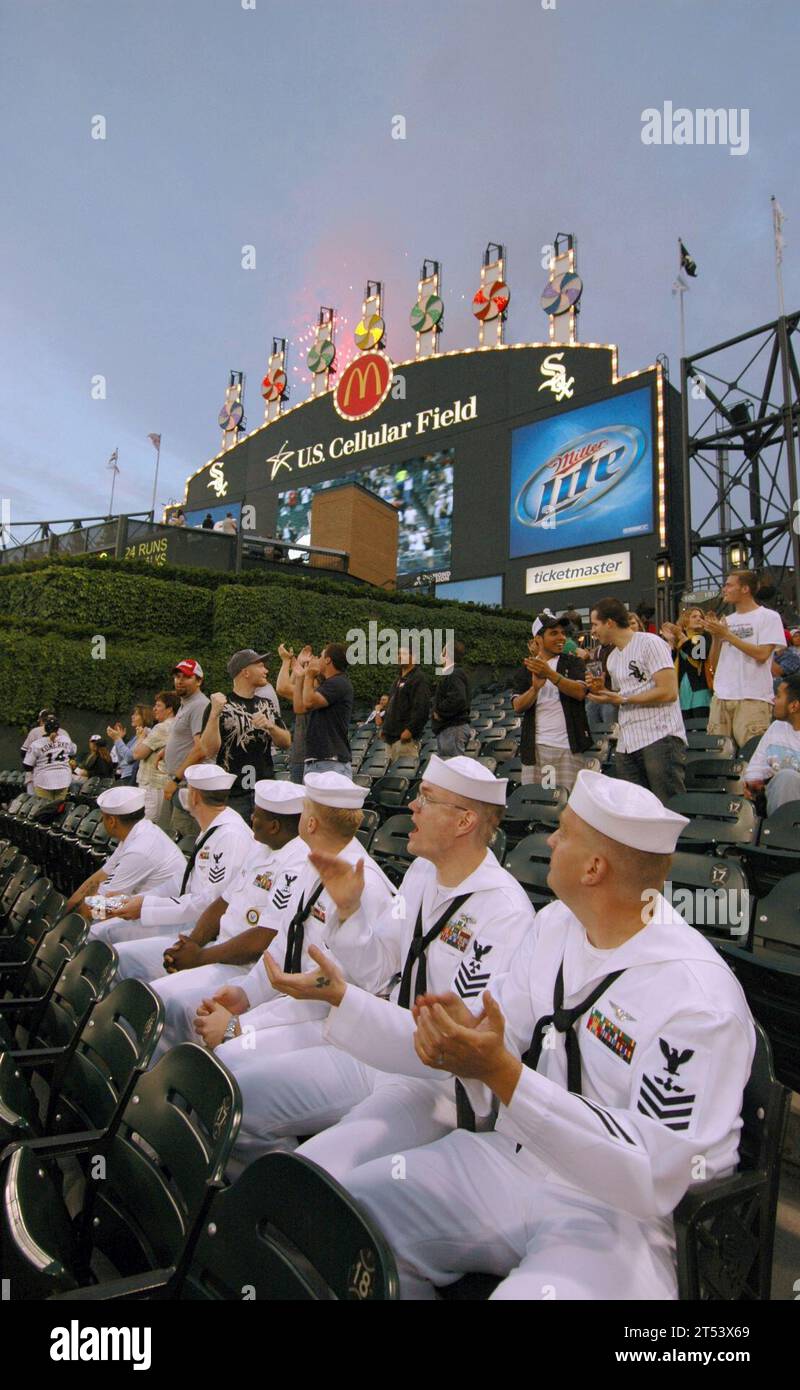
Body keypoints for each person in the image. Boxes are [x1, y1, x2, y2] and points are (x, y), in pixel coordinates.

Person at [319, 770, 755, 1301]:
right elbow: (500, 1027)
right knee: (350, 1213)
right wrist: (464, 1029)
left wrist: (503, 1074)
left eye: (565, 833)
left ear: (594, 868)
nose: (548, 840)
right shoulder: (555, 925)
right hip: (518, 1157)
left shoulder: (697, 997)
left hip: (620, 1219)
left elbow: (657, 1170)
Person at [248, 756, 537, 1183]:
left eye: (427, 799)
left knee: (315, 1173)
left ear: (465, 822)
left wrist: (343, 997)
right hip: (378, 1047)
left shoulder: (505, 911)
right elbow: (380, 966)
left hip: (433, 1081)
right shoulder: (422, 872)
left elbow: (451, 1046)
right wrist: (348, 912)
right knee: (244, 1097)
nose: (412, 809)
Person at [150, 772, 393, 1076]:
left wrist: (242, 1026)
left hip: (333, 1024)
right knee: (213, 1043)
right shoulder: (313, 865)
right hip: (294, 1003)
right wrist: (247, 995)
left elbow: (329, 987)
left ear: (311, 823)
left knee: (228, 1059)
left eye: (304, 810)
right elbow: (283, 944)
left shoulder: (364, 884)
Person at [114, 780, 309, 994]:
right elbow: (221, 901)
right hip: (214, 944)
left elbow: (263, 937)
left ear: (274, 826)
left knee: (158, 996)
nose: (251, 818)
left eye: (256, 815)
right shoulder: (260, 847)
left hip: (247, 969)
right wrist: (191, 943)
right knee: (121, 959)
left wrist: (198, 956)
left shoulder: (295, 862)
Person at [90, 764, 253, 947]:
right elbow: (181, 882)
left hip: (205, 930)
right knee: (101, 931)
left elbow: (209, 903)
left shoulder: (230, 836)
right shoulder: (213, 827)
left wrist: (144, 907)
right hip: (182, 913)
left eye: (187, 788)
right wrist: (141, 901)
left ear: (195, 796)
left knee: (114, 947)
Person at [587, 598, 686, 803]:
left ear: (610, 623)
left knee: (667, 804)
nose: (593, 631)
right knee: (636, 807)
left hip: (660, 735)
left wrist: (622, 697)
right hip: (627, 741)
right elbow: (621, 698)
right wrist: (603, 693)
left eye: (595, 624)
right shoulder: (613, 658)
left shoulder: (650, 642)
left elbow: (668, 692)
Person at [66, 786, 185, 920]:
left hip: (163, 918)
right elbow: (99, 877)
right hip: (145, 908)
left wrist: (67, 923)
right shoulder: (137, 832)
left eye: (103, 818)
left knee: (92, 932)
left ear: (112, 821)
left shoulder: (140, 849)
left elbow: (97, 908)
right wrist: (65, 910)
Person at [199, 650, 290, 820]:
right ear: (245, 672)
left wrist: (271, 726)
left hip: (264, 791)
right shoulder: (220, 705)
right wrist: (214, 715)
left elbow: (286, 743)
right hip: (232, 794)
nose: (266, 671)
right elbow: (208, 750)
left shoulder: (267, 704)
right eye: (261, 666)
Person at [704, 571, 787, 747]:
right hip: (722, 698)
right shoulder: (726, 620)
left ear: (745, 588)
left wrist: (727, 635)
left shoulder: (768, 617)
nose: (724, 589)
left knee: (751, 756)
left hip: (753, 698)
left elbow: (762, 655)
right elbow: (714, 664)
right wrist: (716, 637)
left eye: (729, 585)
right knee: (716, 758)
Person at [512, 614, 592, 790]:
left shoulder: (573, 662)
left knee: (568, 804)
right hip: (535, 748)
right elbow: (517, 706)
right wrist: (535, 688)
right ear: (538, 639)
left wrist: (550, 674)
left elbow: (580, 692)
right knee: (535, 803)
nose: (561, 637)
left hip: (568, 747)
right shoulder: (526, 668)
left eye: (562, 633)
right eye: (554, 633)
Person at [158, 658, 210, 838]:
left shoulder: (199, 705)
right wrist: (165, 751)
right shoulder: (186, 704)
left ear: (199, 681)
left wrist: (175, 778)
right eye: (177, 676)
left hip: (185, 784)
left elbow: (201, 749)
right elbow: (185, 737)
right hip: (179, 782)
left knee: (182, 840)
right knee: (170, 835)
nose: (179, 680)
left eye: (186, 677)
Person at [742, 673, 800, 814]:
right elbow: (754, 770)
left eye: (779, 696)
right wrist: (752, 784)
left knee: (787, 778)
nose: (773, 700)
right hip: (777, 805)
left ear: (794, 706)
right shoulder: (776, 728)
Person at [302, 644, 354, 777]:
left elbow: (308, 702)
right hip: (320, 762)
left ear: (328, 660)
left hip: (330, 764)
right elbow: (299, 706)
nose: (317, 659)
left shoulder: (338, 683)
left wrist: (309, 676)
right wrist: (299, 675)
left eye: (320, 656)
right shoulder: (329, 684)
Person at [132, 690, 179, 822]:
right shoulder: (177, 725)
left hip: (152, 785)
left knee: (147, 826)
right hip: (161, 785)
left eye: (158, 705)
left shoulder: (162, 727)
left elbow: (137, 754)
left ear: (169, 709)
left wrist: (141, 737)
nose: (154, 709)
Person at [381, 647, 431, 764]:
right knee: (389, 780)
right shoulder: (397, 680)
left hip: (404, 740)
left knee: (404, 777)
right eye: (398, 653)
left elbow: (422, 708)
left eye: (403, 654)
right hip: (390, 739)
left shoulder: (418, 679)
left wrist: (410, 731)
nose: (399, 656)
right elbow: (391, 707)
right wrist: (385, 728)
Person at [661, 608, 712, 718]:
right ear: (685, 622)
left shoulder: (705, 636)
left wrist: (681, 637)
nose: (698, 619)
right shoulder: (679, 640)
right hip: (682, 690)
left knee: (700, 724)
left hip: (700, 689)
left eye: (700, 617)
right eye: (694, 616)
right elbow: (668, 663)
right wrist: (671, 641)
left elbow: (698, 656)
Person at [276, 643, 316, 784]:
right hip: (300, 755)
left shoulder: (315, 692)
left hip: (310, 759)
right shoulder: (307, 689)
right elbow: (293, 684)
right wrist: (297, 662)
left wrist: (287, 661)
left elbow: (283, 687)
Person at [431, 640, 470, 756]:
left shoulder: (454, 673)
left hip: (452, 729)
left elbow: (458, 698)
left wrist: (439, 711)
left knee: (452, 767)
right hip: (449, 729)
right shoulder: (452, 673)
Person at [23, 716, 76, 800]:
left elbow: (27, 765)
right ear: (58, 728)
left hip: (44, 779)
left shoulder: (37, 744)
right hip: (63, 778)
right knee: (59, 807)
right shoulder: (66, 740)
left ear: (45, 728)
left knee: (45, 808)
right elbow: (73, 753)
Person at [107, 705, 153, 784]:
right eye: (133, 714)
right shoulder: (135, 737)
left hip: (132, 777)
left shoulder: (146, 732)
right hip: (125, 775)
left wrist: (118, 739)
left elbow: (129, 757)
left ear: (144, 717)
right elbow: (121, 759)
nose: (132, 717)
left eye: (136, 714)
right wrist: (118, 739)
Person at [771, 627, 800, 693]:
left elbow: (777, 673)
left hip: (787, 692)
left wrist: (767, 656)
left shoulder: (792, 656)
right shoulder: (774, 654)